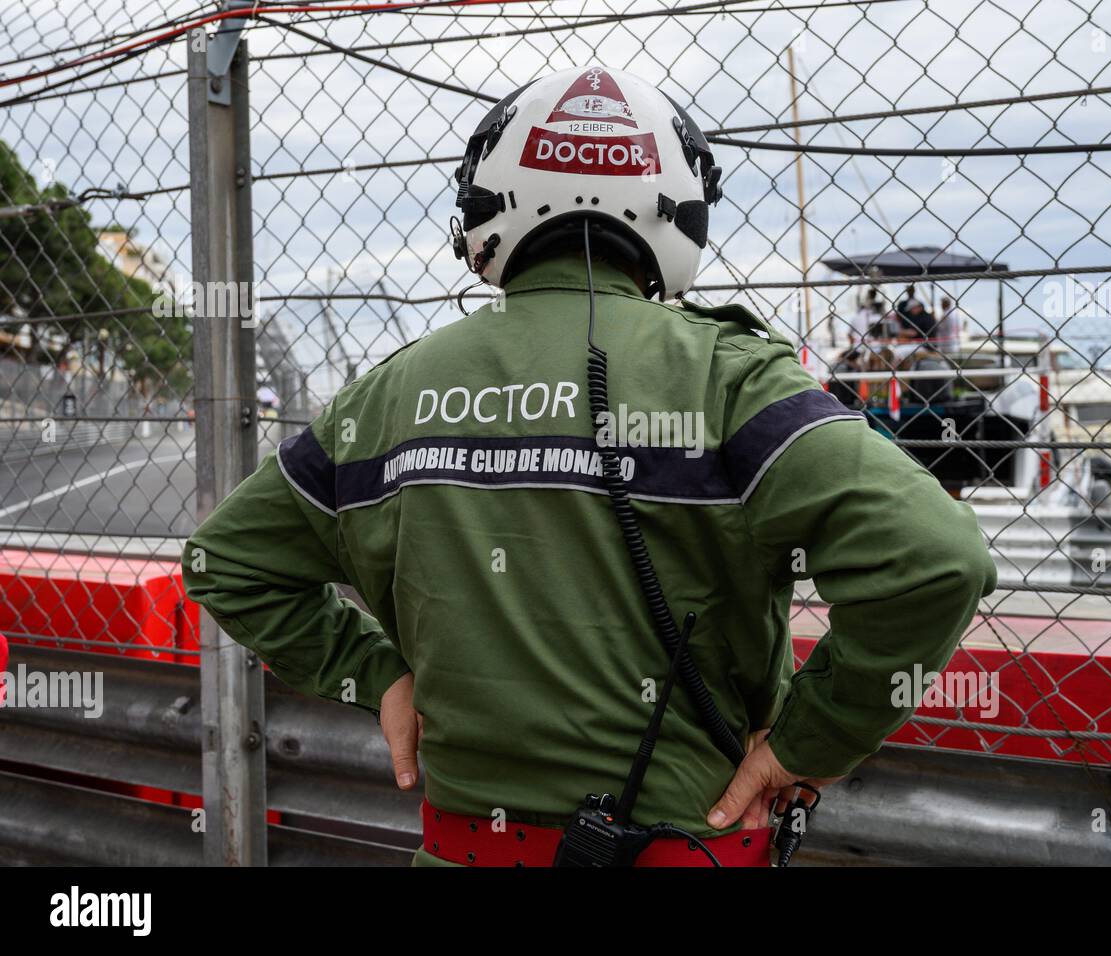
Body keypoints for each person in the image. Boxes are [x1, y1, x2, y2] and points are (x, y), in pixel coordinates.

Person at [183, 65, 996, 867]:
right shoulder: (732, 380)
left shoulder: (389, 393)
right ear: (677, 204)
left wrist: (376, 674)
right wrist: (808, 742)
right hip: (693, 850)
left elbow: (224, 561)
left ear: (484, 206)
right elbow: (936, 559)